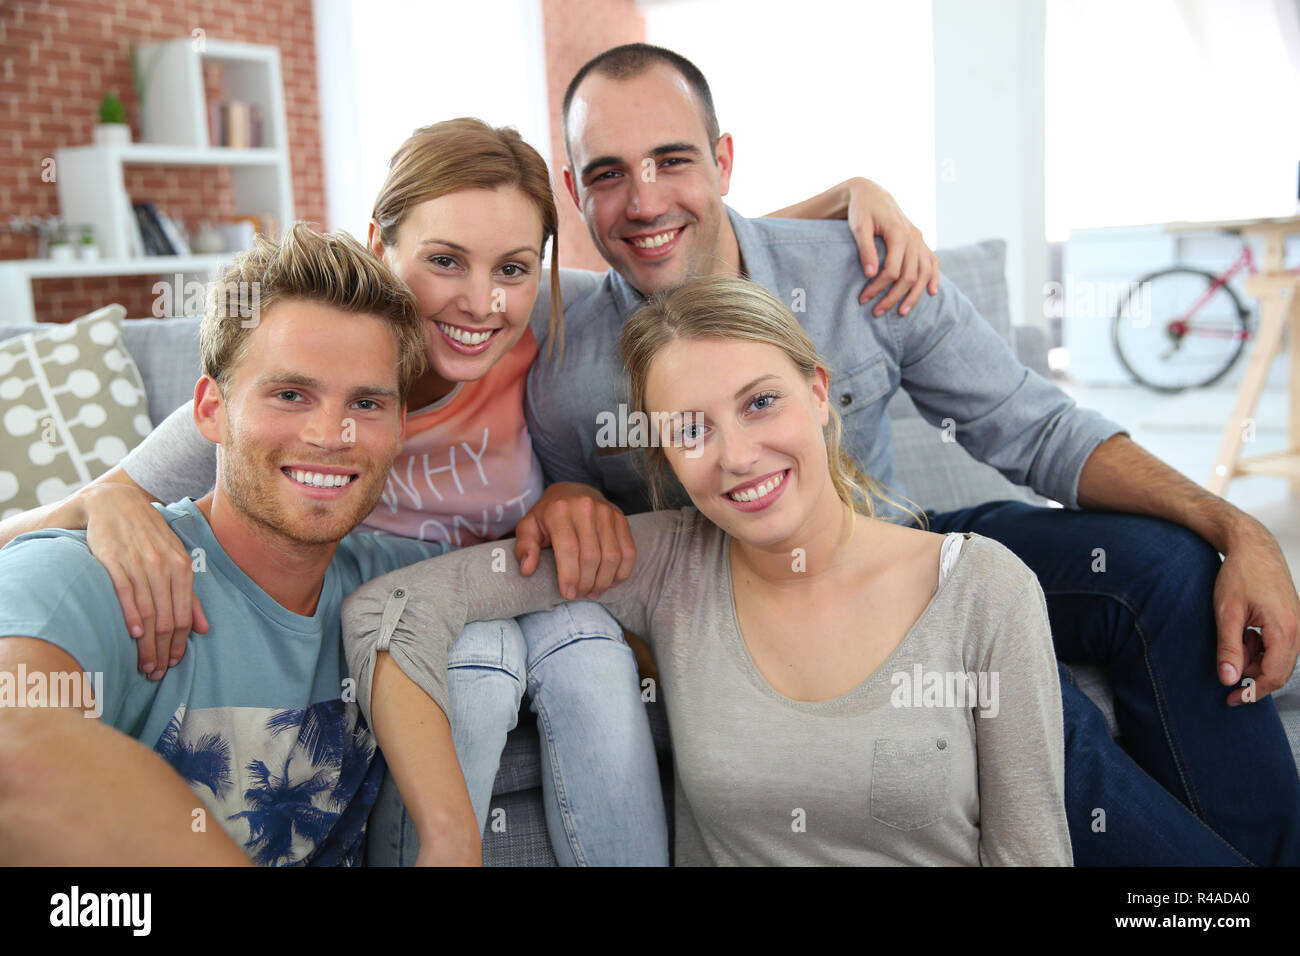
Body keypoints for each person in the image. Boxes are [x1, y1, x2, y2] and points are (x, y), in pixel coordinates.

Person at [0, 119, 938, 866]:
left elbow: (673, 263)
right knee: (481, 669)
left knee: (580, 647)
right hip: (421, 627)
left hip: (496, 595)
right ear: (380, 244)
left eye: (512, 271)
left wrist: (847, 197)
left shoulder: (541, 332)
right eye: (443, 260)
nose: (481, 303)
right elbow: (44, 577)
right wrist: (105, 501)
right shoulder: (282, 371)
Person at [518, 42, 1300, 865]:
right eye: (607, 175)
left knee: (1169, 565)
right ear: (574, 192)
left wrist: (1237, 528)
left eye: (672, 160)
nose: (643, 201)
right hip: (763, 610)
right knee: (1023, 696)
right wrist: (562, 505)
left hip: (903, 537)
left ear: (723, 161)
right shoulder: (566, 379)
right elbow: (576, 549)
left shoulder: (860, 268)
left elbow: (1034, 426)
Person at [340, 274, 1073, 866]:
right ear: (662, 458)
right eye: (692, 430)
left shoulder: (985, 590)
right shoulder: (664, 563)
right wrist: (449, 836)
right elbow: (389, 606)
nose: (738, 456)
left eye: (761, 403)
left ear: (818, 393)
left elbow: (1032, 855)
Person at [0, 225, 476, 865]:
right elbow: (15, 753)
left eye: (366, 402)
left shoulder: (396, 585)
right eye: (290, 394)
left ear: (399, 428)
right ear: (210, 410)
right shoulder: (90, 572)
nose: (331, 434)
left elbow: (573, 580)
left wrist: (568, 509)